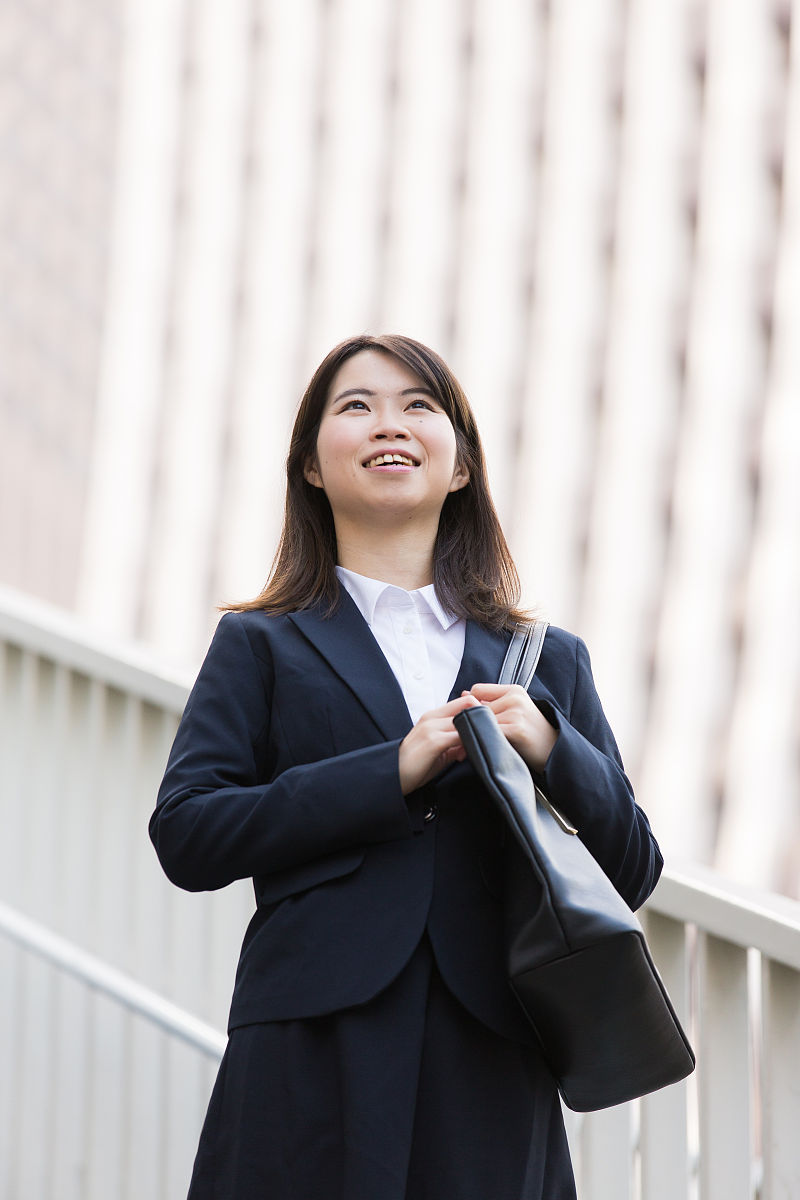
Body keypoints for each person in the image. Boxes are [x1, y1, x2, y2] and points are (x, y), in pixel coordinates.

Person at [149, 333, 663, 1200]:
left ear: (460, 466)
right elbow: (188, 831)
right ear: (312, 467)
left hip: (493, 1046)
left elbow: (634, 867)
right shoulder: (262, 643)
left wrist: (550, 743)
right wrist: (390, 770)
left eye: (418, 405)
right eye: (355, 406)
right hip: (311, 1040)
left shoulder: (545, 661)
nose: (389, 422)